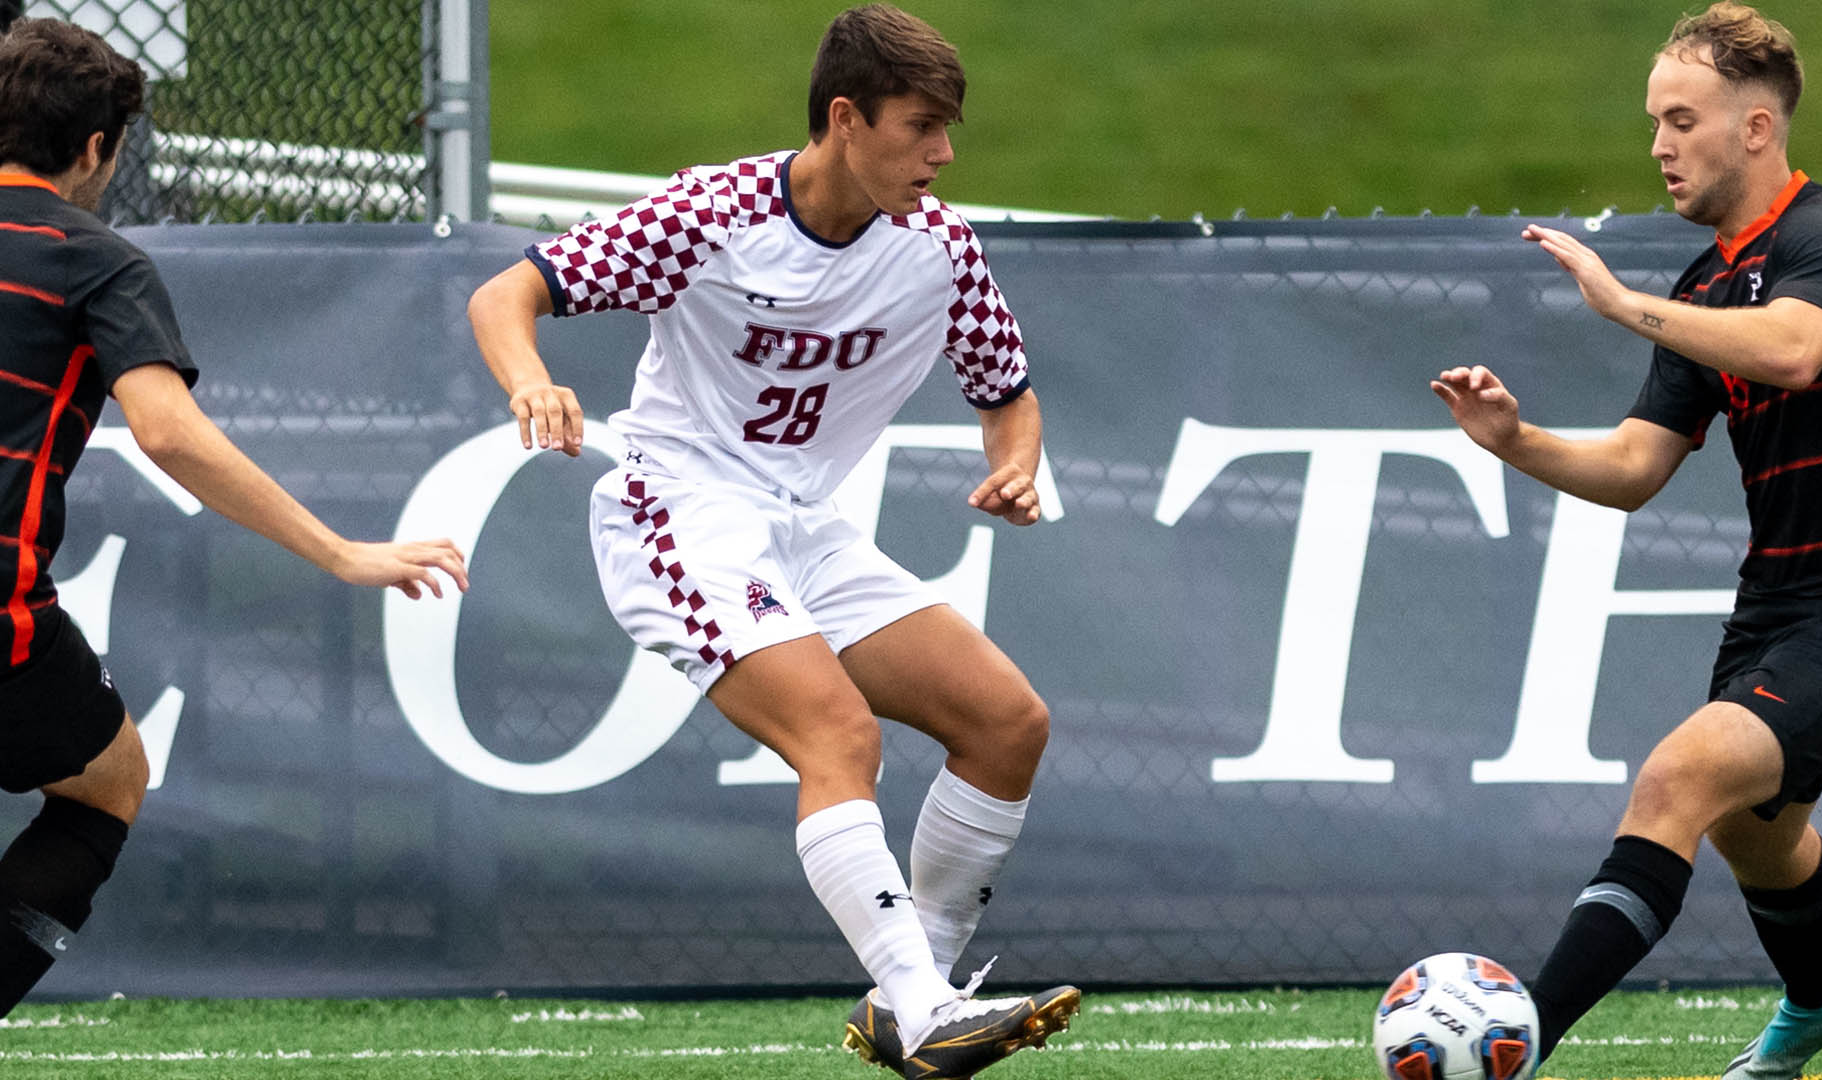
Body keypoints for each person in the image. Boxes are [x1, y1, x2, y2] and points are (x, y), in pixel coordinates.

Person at [466, 5, 1076, 1077]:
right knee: (840, 737)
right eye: (919, 126)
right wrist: (532, 383)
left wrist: (1015, 462)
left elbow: (1006, 391)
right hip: (676, 513)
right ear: (846, 118)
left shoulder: (939, 250)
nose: (942, 154)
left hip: (806, 528)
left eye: (949, 129)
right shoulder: (712, 213)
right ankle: (926, 1008)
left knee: (1007, 724)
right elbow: (506, 292)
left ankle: (912, 997)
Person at [1433, 4, 1822, 1076]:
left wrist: (1617, 302)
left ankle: (1514, 1047)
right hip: (1778, 603)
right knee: (1755, 830)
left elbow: (1793, 352)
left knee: (1677, 779)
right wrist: (1515, 439)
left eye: (1681, 119)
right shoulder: (1705, 288)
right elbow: (1635, 471)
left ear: (1754, 128)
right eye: (1654, 121)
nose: (1657, 145)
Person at [0, 17, 468, 1016]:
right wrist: (341, 551)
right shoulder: (94, 261)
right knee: (106, 779)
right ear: (97, 149)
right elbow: (168, 435)